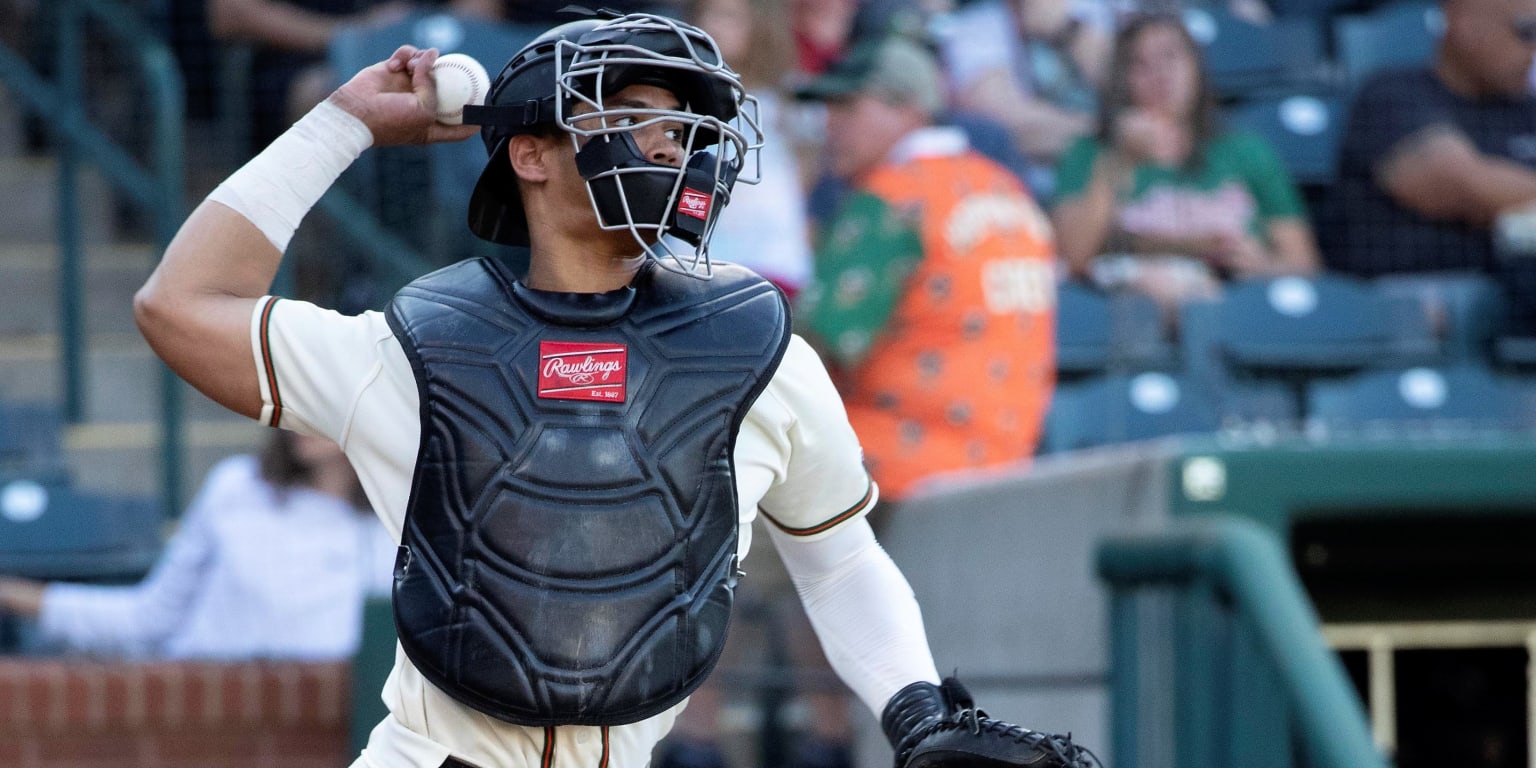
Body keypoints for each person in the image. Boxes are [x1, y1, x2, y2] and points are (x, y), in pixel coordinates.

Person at [131, 10, 1097, 768]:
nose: (671, 146)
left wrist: (917, 710)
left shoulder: (758, 349)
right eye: (632, 116)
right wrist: (342, 125)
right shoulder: (415, 347)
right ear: (531, 153)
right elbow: (180, 305)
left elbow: (839, 563)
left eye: (680, 126)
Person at [796, 33, 1059, 506]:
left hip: (890, 479)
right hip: (1008, 475)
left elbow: (809, 352)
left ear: (909, 109)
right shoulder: (1006, 189)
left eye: (847, 106)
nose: (829, 124)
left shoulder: (892, 198)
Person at [0, 430, 393, 660]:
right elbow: (150, 617)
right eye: (300, 395)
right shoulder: (236, 486)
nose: (307, 413)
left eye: (327, 395)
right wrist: (16, 595)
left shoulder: (402, 514)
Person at [1050, 13, 1321, 324]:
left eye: (1171, 57)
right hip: (1133, 314)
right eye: (1140, 64)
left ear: (1196, 67)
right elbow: (1070, 258)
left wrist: (1263, 266)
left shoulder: (1246, 151)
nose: (1159, 75)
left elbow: (1305, 265)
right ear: (1121, 79)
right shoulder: (1089, 154)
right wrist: (1119, 160)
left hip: (1236, 302)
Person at [1324, 0, 1536, 334]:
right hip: (1407, 311)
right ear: (1465, 23)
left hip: (1516, 301)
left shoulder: (1526, 110)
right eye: (1527, 30)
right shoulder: (1394, 93)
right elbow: (1463, 186)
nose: (1534, 49)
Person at [206, 0, 498, 154]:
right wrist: (355, 36)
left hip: (428, 58)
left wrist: (422, 34)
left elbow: (480, 12)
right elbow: (230, 13)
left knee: (468, 93)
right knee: (326, 93)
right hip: (309, 60)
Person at [686, 0, 816, 298]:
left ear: (760, 26)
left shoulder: (786, 100)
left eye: (728, 17)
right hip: (697, 258)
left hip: (769, 258)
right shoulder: (684, 98)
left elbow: (804, 173)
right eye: (706, 14)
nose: (712, 26)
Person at [938, 0, 1111, 202]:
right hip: (1027, 187)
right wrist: (1105, 133)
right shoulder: (976, 26)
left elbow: (1127, 91)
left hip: (1108, 175)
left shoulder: (1092, 11)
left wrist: (1070, 31)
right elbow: (1013, 125)